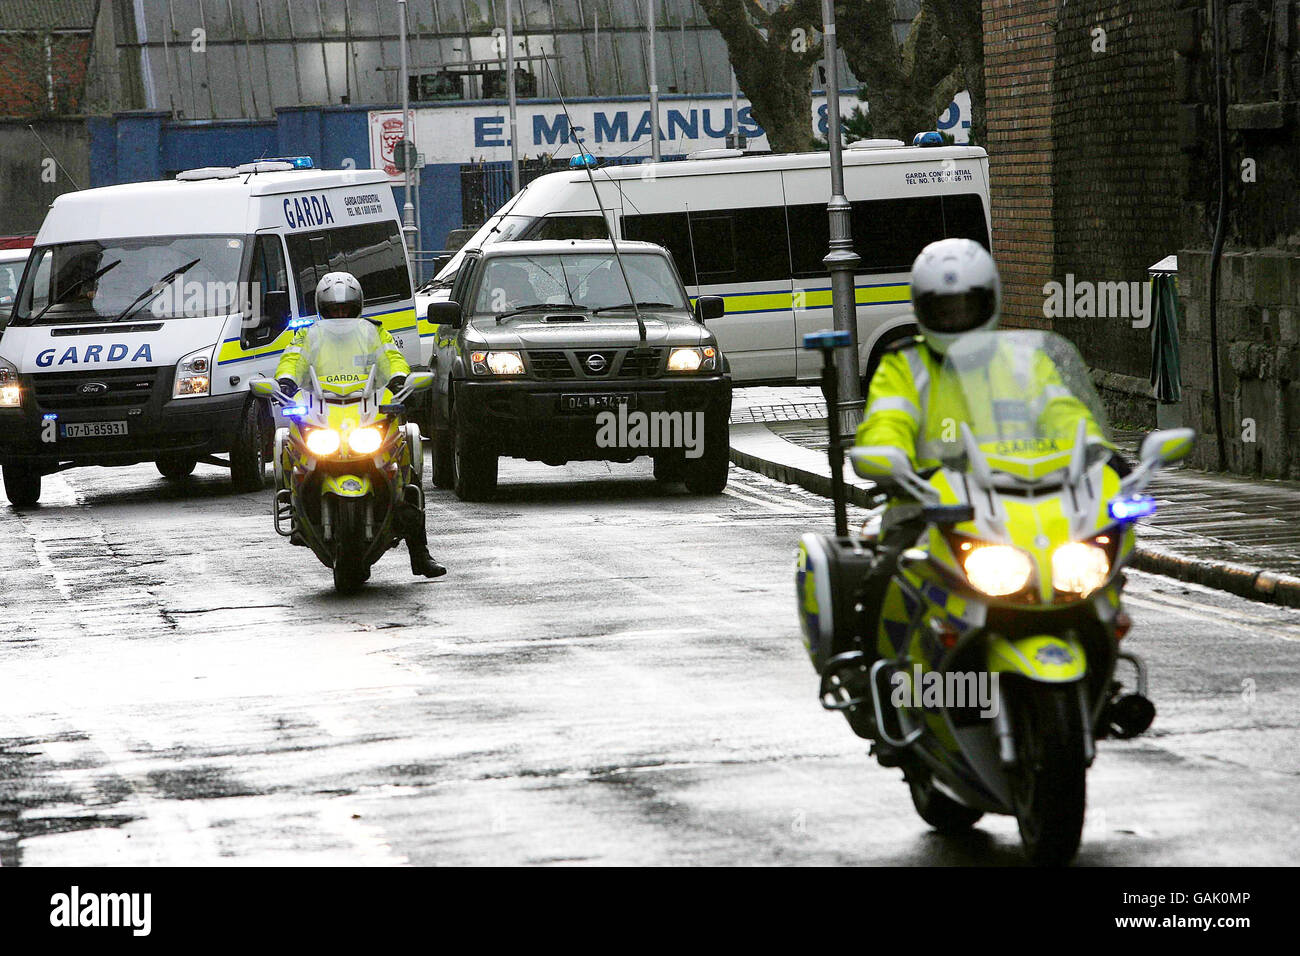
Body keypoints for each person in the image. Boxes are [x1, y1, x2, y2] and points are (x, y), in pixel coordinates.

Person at [839, 238, 1113, 741]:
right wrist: (886, 458)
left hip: (1024, 501)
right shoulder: (905, 365)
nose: (957, 317)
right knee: (883, 570)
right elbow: (885, 424)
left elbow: (1064, 410)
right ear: (923, 310)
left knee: (1097, 574)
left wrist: (1098, 449)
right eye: (945, 308)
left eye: (967, 304)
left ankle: (1103, 684)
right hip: (927, 505)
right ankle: (867, 678)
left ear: (989, 301)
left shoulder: (1024, 362)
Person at [274, 272, 446, 578]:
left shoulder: (374, 333)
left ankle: (420, 554)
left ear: (357, 308)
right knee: (290, 443)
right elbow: (293, 360)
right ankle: (295, 506)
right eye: (333, 310)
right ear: (323, 310)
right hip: (324, 412)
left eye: (346, 309)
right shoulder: (306, 335)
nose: (340, 315)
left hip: (366, 410)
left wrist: (398, 378)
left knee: (404, 463)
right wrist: (285, 381)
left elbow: (391, 357)